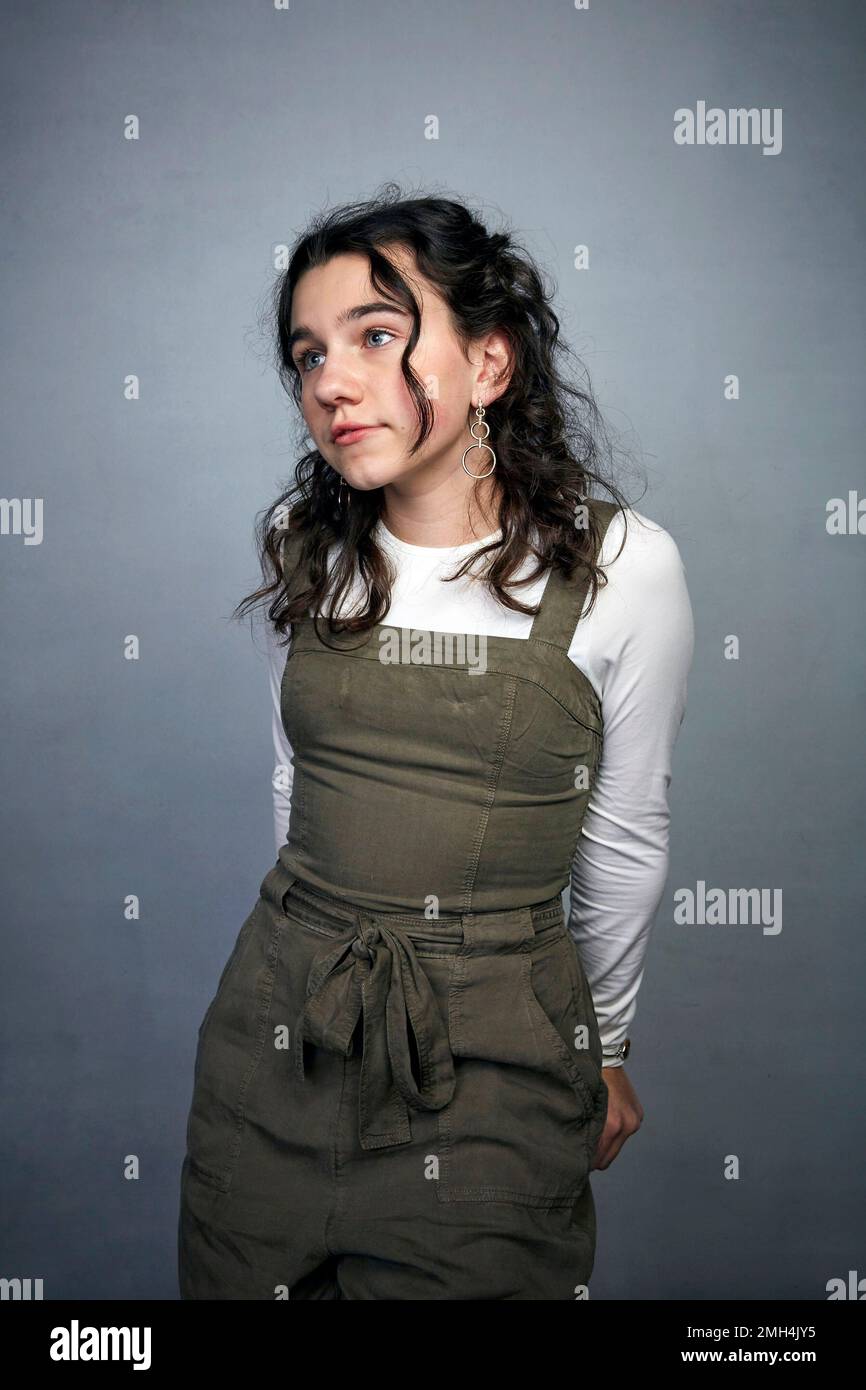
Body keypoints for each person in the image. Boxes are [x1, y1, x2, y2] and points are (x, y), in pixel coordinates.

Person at [177, 185, 695, 1300]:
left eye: (375, 334)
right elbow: (296, 777)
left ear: (489, 367)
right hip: (278, 1038)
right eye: (308, 354)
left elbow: (622, 835)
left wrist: (602, 1046)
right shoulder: (301, 544)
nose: (329, 381)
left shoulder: (621, 568)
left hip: (493, 1057)